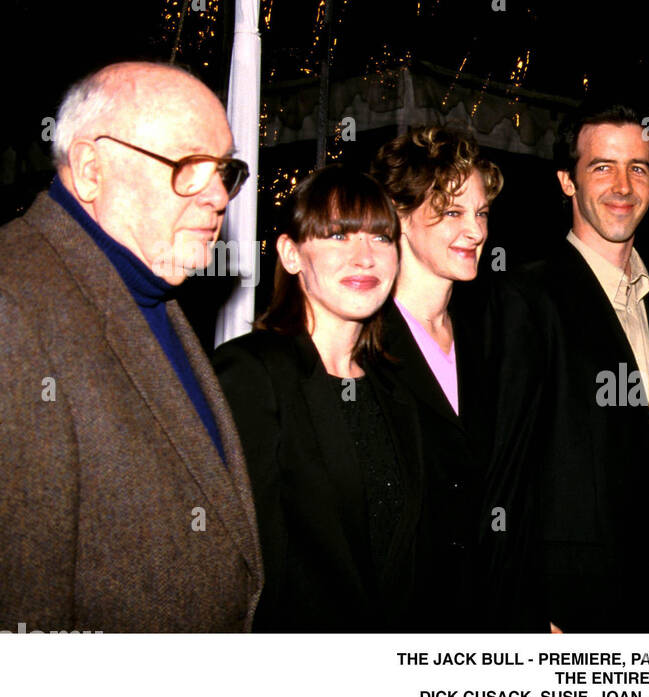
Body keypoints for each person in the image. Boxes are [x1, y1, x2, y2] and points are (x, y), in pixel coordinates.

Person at [0, 62, 261, 632]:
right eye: (188, 166)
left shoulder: (149, 288)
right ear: (91, 170)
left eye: (224, 170)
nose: (219, 196)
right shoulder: (13, 306)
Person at [214, 165, 435, 631]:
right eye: (339, 236)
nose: (365, 257)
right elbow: (237, 564)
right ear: (291, 254)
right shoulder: (250, 373)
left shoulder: (395, 386)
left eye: (381, 238)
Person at [503, 102, 649, 632]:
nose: (623, 186)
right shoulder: (525, 298)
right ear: (568, 181)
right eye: (602, 166)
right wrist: (527, 608)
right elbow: (504, 470)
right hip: (567, 608)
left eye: (638, 168)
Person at [371, 126, 548, 631]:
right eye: (452, 212)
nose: (475, 231)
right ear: (400, 217)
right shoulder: (363, 342)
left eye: (482, 213)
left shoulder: (490, 337)